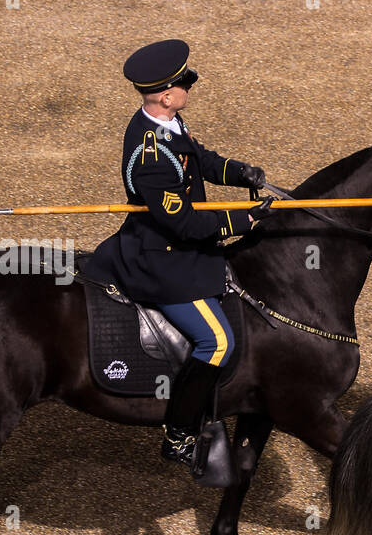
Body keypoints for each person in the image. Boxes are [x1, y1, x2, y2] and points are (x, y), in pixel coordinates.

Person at [107, 38, 272, 468]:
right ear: (165, 95)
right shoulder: (150, 153)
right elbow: (182, 223)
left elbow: (201, 161)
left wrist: (240, 173)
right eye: (183, 85)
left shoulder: (170, 124)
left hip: (180, 245)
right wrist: (243, 221)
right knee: (217, 341)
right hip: (161, 256)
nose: (188, 88)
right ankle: (179, 434)